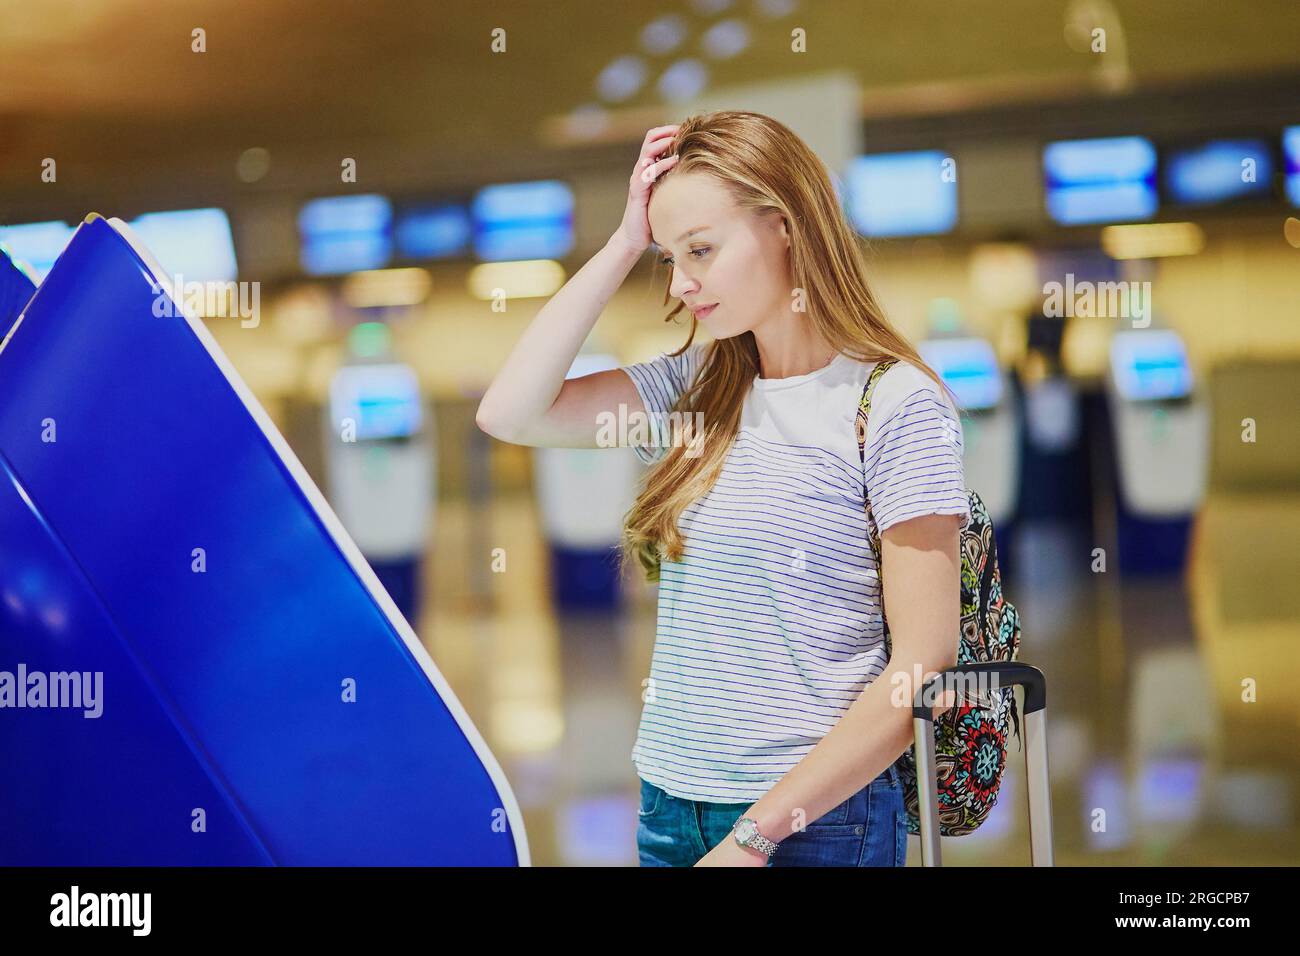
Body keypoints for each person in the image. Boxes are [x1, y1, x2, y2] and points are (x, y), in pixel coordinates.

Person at [477, 110, 969, 867]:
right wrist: (620, 245)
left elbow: (922, 664)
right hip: (671, 810)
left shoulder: (896, 404)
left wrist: (758, 833)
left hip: (817, 821)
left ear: (785, 228)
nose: (681, 283)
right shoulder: (695, 388)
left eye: (701, 249)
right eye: (669, 256)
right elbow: (510, 411)